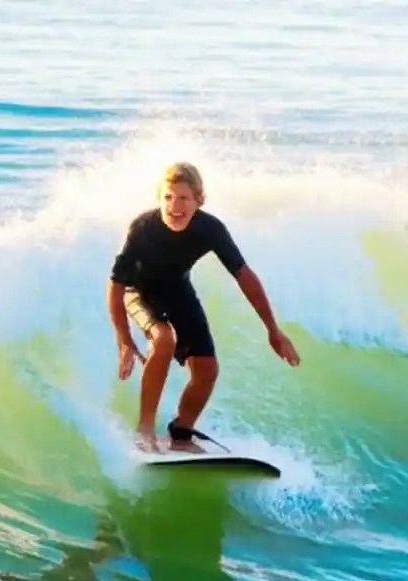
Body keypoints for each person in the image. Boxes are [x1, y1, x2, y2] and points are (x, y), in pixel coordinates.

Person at [107, 161, 300, 452]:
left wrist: (272, 329)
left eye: (184, 198)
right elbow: (116, 285)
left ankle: (182, 433)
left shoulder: (209, 229)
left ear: (199, 199)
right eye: (168, 197)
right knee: (163, 340)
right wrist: (124, 339)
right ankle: (144, 429)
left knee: (207, 369)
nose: (175, 206)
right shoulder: (144, 228)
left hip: (177, 291)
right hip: (139, 292)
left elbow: (243, 274)